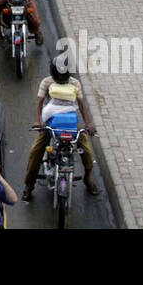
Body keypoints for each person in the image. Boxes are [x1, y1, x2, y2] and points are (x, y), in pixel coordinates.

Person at [23, 54, 99, 201]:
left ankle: (88, 178)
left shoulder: (75, 83)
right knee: (35, 151)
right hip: (51, 121)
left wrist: (88, 124)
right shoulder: (47, 82)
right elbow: (39, 103)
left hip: (71, 121)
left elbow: (81, 105)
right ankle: (29, 185)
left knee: (87, 152)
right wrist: (38, 121)